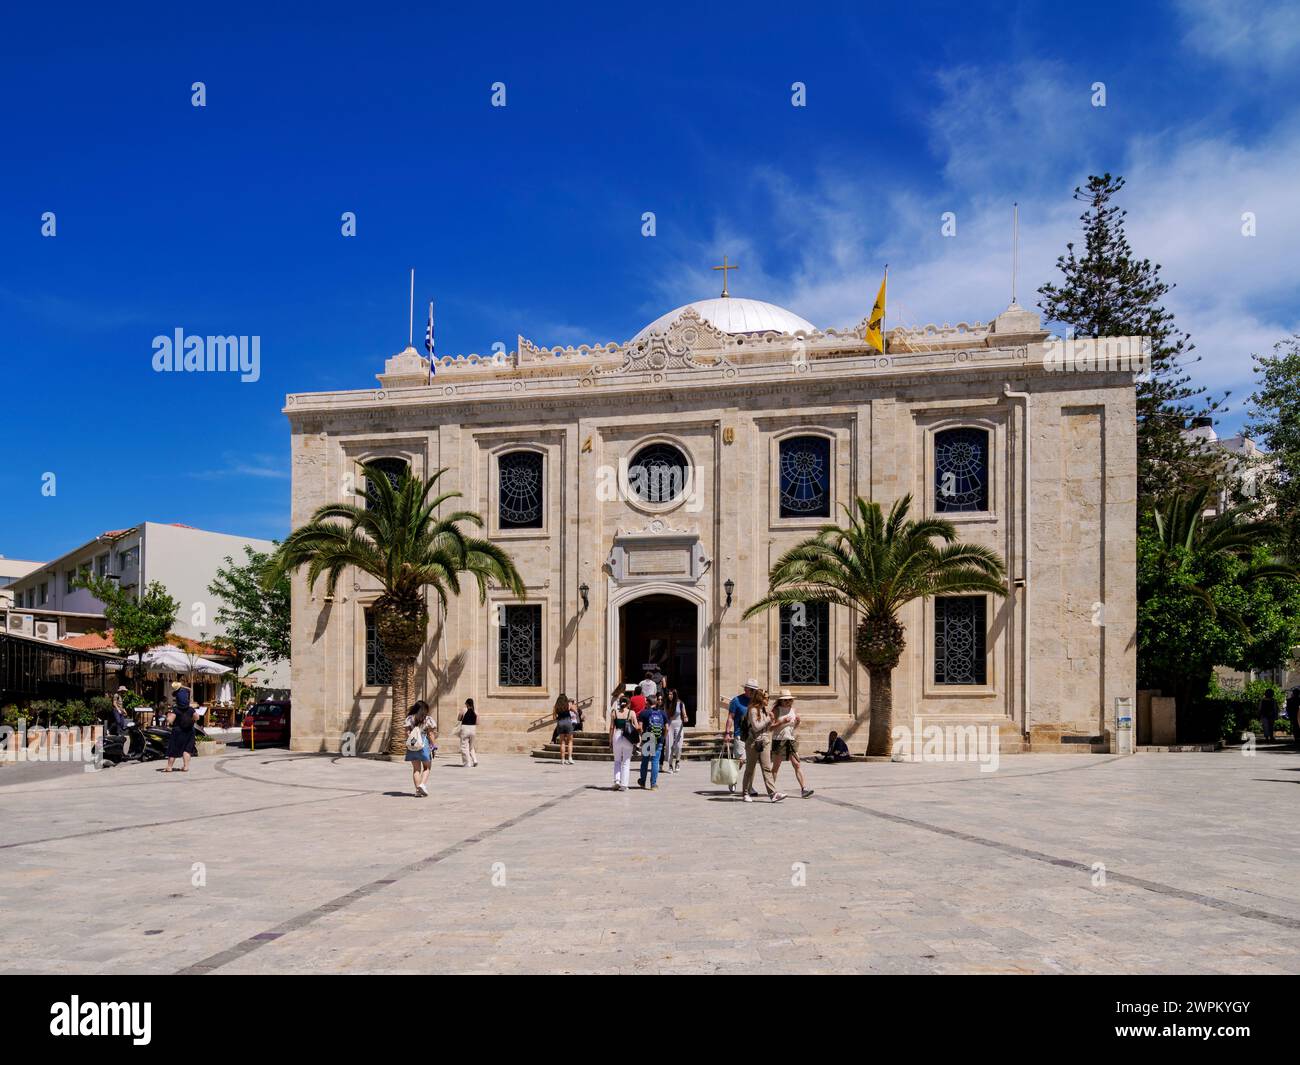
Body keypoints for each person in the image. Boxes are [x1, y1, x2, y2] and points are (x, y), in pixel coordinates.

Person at [739, 688, 784, 803]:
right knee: (750, 769)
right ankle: (745, 793)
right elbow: (756, 727)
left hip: (764, 742)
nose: (768, 700)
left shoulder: (763, 710)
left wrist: (771, 721)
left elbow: (766, 728)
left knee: (767, 768)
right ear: (760, 698)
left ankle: (773, 794)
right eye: (766, 698)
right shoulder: (753, 710)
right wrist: (769, 719)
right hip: (753, 743)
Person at [770, 689, 813, 798]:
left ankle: (804, 789)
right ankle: (771, 790)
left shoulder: (792, 710)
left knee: (797, 764)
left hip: (790, 739)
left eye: (789, 700)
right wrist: (781, 722)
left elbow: (792, 727)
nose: (788, 702)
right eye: (785, 700)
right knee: (776, 767)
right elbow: (770, 727)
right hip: (779, 740)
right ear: (780, 701)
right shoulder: (776, 710)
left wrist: (797, 722)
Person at [723, 679, 759, 794]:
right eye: (750, 689)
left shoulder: (757, 702)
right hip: (740, 735)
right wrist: (727, 733)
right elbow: (730, 717)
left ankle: (749, 786)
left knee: (751, 763)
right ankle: (732, 778)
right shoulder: (736, 701)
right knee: (742, 760)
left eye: (753, 690)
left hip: (753, 736)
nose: (751, 692)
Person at [404, 700, 437, 796]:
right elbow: (430, 734)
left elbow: (407, 734)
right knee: (427, 767)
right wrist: (433, 745)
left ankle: (418, 791)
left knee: (416, 769)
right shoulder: (427, 719)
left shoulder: (409, 719)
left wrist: (411, 742)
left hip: (412, 745)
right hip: (424, 744)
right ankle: (422, 785)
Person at [164, 681, 197, 773]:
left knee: (173, 749)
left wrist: (167, 716)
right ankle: (186, 766)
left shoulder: (176, 710)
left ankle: (169, 767)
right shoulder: (190, 709)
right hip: (189, 730)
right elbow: (197, 717)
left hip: (178, 731)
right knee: (187, 749)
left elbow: (170, 720)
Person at [609, 694, 640, 791]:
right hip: (627, 737)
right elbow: (637, 726)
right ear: (628, 704)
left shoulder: (614, 712)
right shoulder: (631, 713)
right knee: (626, 761)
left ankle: (617, 780)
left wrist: (610, 740)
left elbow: (611, 727)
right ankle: (624, 785)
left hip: (617, 735)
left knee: (617, 760)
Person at [637, 696, 667, 790]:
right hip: (658, 739)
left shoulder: (644, 713)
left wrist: (642, 737)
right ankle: (653, 784)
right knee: (655, 762)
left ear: (648, 702)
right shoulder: (662, 713)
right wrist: (663, 737)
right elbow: (667, 728)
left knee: (645, 761)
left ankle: (642, 782)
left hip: (647, 738)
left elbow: (640, 727)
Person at [663, 688, 686, 773]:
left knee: (678, 746)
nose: (669, 696)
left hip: (679, 725)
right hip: (669, 725)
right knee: (669, 746)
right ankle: (670, 765)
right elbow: (665, 716)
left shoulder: (681, 704)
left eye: (671, 694)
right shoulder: (666, 704)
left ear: (675, 695)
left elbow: (684, 714)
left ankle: (677, 761)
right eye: (668, 694)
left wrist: (686, 718)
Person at [553, 693, 576, 765]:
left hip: (560, 723)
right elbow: (575, 711)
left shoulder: (556, 706)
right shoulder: (568, 705)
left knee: (562, 742)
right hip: (568, 722)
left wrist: (558, 719)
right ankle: (570, 758)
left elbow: (554, 718)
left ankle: (562, 760)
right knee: (570, 741)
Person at [457, 697, 479, 767]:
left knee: (464, 747)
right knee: (471, 746)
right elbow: (477, 722)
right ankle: (475, 760)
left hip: (465, 729)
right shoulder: (475, 711)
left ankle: (467, 763)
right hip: (473, 729)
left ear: (466, 703)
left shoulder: (464, 710)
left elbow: (458, 719)